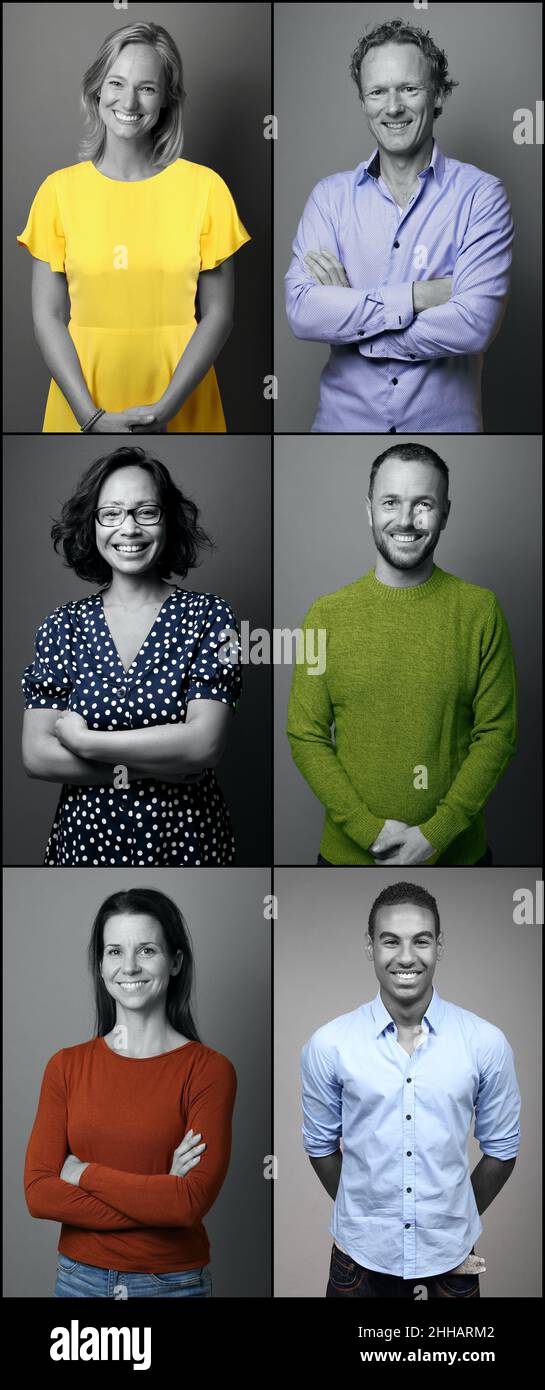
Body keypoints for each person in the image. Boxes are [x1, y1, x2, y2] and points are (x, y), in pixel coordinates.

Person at [287, 443, 518, 866]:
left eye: (423, 504)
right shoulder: (326, 614)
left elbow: (497, 733)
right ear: (370, 510)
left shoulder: (480, 610)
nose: (406, 520)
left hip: (460, 860)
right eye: (391, 502)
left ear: (445, 513)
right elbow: (306, 735)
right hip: (347, 860)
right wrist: (368, 830)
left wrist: (436, 833)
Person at [17, 20, 250, 433]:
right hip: (81, 401)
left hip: (182, 399)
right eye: (116, 83)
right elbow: (48, 317)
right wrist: (90, 417)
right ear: (97, 90)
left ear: (166, 99)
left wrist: (165, 408)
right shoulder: (57, 191)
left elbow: (218, 315)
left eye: (147, 87)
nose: (130, 100)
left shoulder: (206, 189)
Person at [285, 18, 513, 433]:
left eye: (409, 89)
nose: (392, 107)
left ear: (439, 93)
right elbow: (302, 312)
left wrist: (354, 321)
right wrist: (417, 295)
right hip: (338, 431)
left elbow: (474, 325)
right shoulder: (329, 199)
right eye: (377, 92)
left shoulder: (481, 196)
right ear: (363, 102)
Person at [22, 445, 241, 865]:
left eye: (146, 512)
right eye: (112, 513)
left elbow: (204, 745)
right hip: (85, 842)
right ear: (93, 524)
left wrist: (85, 741)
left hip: (186, 840)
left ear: (167, 521)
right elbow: (36, 754)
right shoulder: (61, 625)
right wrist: (148, 770)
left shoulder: (211, 616)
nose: (129, 528)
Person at [301, 880, 520, 1299]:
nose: (406, 957)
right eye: (390, 941)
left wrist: (450, 1222)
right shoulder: (328, 1044)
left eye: (421, 940)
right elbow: (320, 1146)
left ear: (439, 946)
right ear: (370, 947)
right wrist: (364, 1213)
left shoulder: (485, 1042)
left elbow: (502, 1151)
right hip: (358, 1264)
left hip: (451, 1263)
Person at [24, 886, 237, 1298]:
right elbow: (38, 1194)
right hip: (78, 1281)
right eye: (115, 952)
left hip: (173, 1284)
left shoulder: (210, 1071)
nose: (131, 967)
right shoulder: (64, 1067)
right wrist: (160, 1195)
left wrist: (82, 1174)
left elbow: (189, 1202)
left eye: (147, 951)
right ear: (101, 965)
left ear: (175, 961)